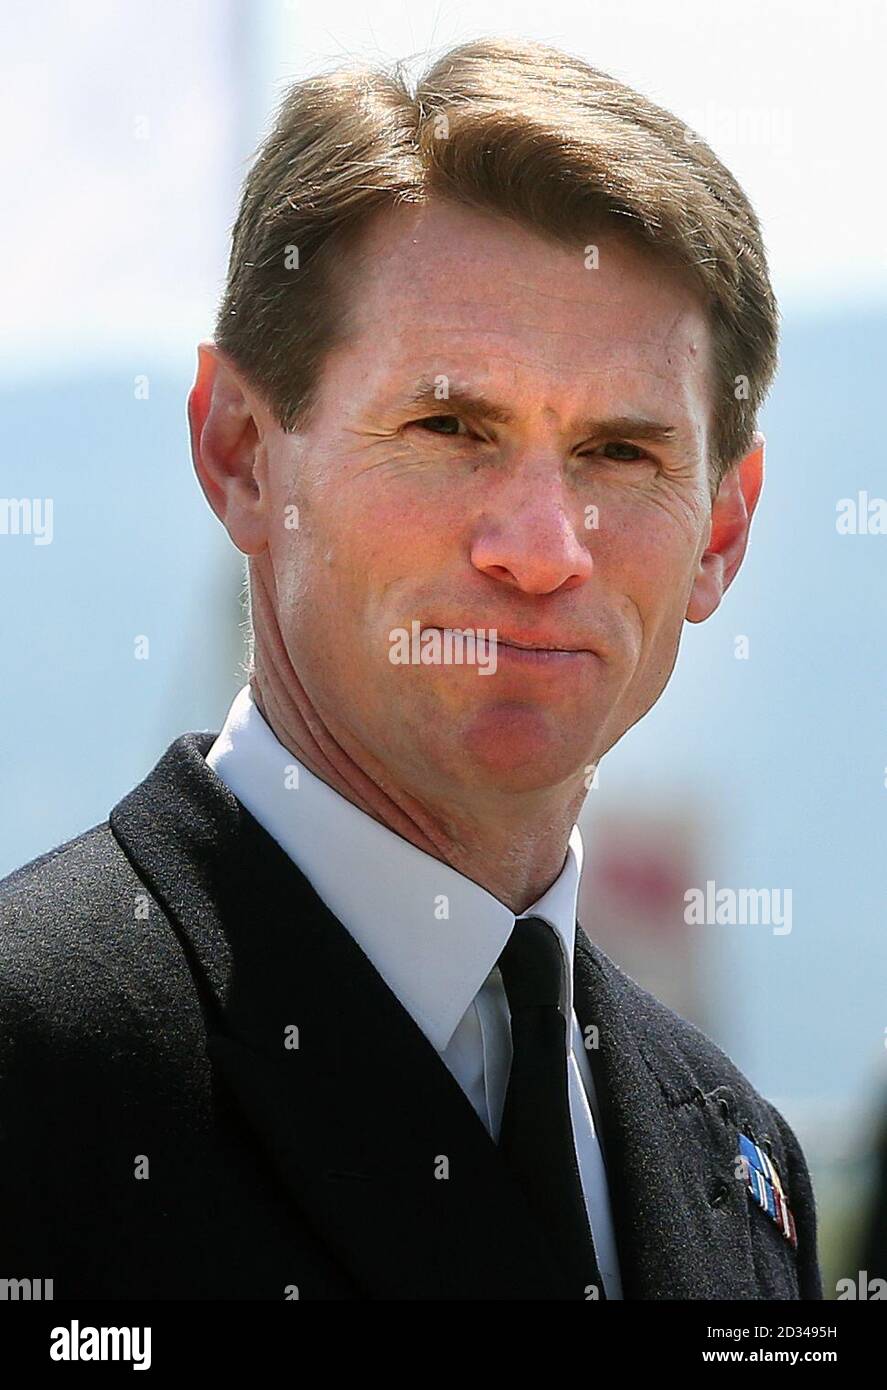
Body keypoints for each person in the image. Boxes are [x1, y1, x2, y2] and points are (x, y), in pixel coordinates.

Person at [0, 35, 822, 1300]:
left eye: (619, 453)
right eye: (448, 426)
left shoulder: (738, 1162)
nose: (543, 551)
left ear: (720, 529)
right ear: (241, 455)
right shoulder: (32, 1067)